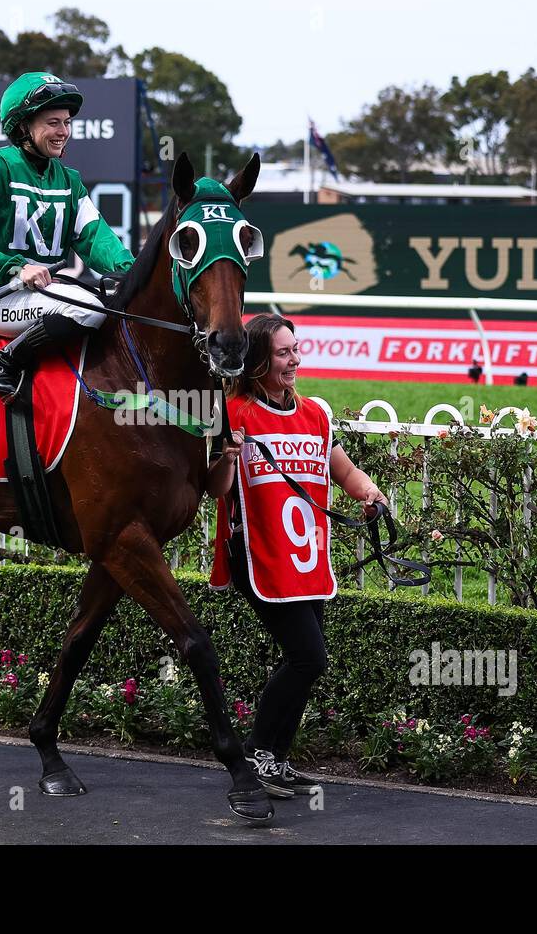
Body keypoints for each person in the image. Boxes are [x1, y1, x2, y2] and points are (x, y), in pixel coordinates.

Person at [206, 313, 385, 798]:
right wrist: (225, 456)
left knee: (305, 658)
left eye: (295, 349)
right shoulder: (234, 414)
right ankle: (257, 750)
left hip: (306, 561)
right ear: (261, 360)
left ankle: (274, 758)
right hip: (257, 556)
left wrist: (369, 494)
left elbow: (343, 471)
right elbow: (217, 490)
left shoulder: (314, 414)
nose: (295, 360)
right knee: (309, 657)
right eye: (284, 353)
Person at [0, 71, 135, 402]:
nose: (63, 131)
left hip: (46, 296)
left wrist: (133, 271)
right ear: (23, 127)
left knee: (113, 308)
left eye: (66, 122)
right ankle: (1, 364)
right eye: (53, 122)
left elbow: (95, 237)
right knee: (88, 310)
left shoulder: (68, 179)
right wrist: (17, 269)